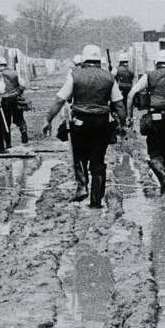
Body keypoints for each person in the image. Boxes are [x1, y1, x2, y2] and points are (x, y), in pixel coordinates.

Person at [42, 44, 126, 208]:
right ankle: (96, 201)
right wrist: (122, 125)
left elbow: (60, 100)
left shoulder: (75, 76)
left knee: (79, 155)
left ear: (84, 59)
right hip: (102, 123)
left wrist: (48, 120)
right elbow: (119, 105)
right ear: (98, 60)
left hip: (80, 123)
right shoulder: (109, 78)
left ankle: (82, 187)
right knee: (98, 161)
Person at [127, 50, 165, 195]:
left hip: (154, 118)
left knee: (154, 152)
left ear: (156, 63)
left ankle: (162, 177)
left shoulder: (149, 76)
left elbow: (131, 94)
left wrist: (129, 116)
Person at [0, 58, 29, 145]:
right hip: (15, 98)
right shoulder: (14, 72)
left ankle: (8, 143)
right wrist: (18, 93)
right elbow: (22, 85)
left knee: (5, 121)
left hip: (4, 100)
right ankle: (23, 131)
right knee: (19, 118)